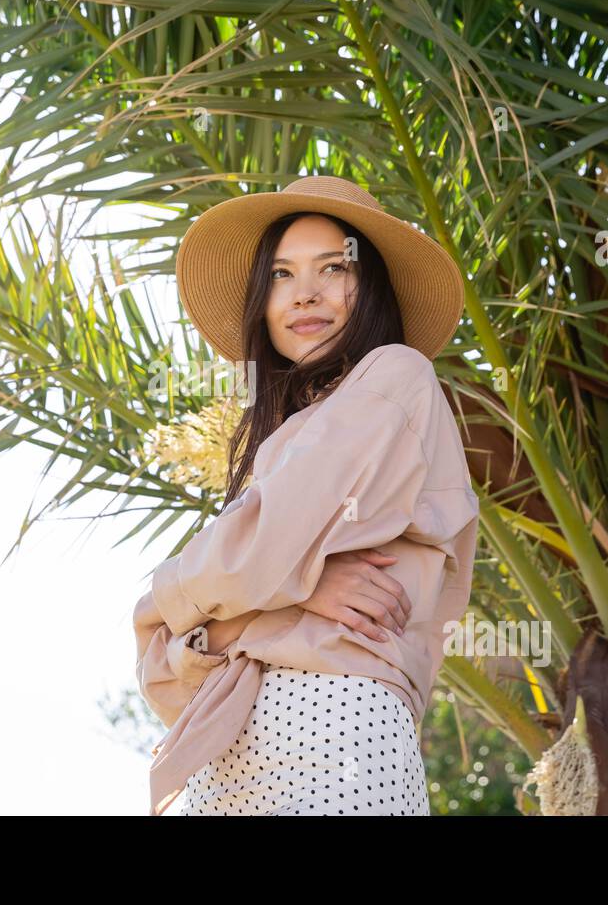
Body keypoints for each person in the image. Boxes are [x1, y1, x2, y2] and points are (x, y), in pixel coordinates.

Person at [133, 175, 479, 815]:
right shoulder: (288, 440)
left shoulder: (394, 377)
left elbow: (249, 557)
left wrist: (204, 602)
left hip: (335, 728)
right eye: (282, 275)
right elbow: (161, 663)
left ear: (369, 286)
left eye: (332, 268)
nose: (306, 293)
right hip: (227, 749)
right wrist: (302, 588)